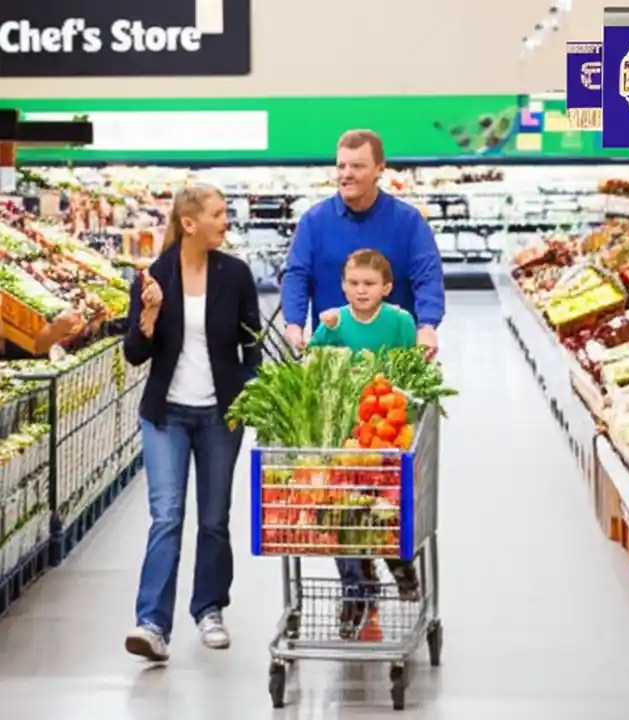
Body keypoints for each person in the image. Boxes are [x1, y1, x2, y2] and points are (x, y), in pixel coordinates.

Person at [121, 184, 263, 662]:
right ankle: (151, 624)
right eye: (219, 214)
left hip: (220, 414)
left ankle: (209, 610)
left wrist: (248, 394)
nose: (227, 221)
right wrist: (150, 316)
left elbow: (252, 345)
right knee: (166, 517)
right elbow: (134, 355)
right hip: (167, 415)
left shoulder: (236, 275)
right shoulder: (153, 276)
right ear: (190, 223)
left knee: (214, 519)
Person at [307, 248, 421, 637]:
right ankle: (355, 591)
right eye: (353, 283)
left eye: (369, 284)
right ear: (342, 285)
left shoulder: (400, 322)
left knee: (387, 509)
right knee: (344, 514)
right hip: (345, 439)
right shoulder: (334, 322)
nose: (360, 290)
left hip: (387, 438)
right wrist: (322, 330)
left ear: (386, 288)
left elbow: (412, 371)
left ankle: (399, 565)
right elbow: (312, 365)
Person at [281, 129, 445, 358]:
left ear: (380, 169)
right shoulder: (314, 222)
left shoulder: (408, 222)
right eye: (341, 166)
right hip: (333, 360)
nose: (346, 174)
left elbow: (428, 276)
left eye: (357, 166)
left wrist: (427, 326)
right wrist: (294, 323)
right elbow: (297, 275)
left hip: (395, 359)